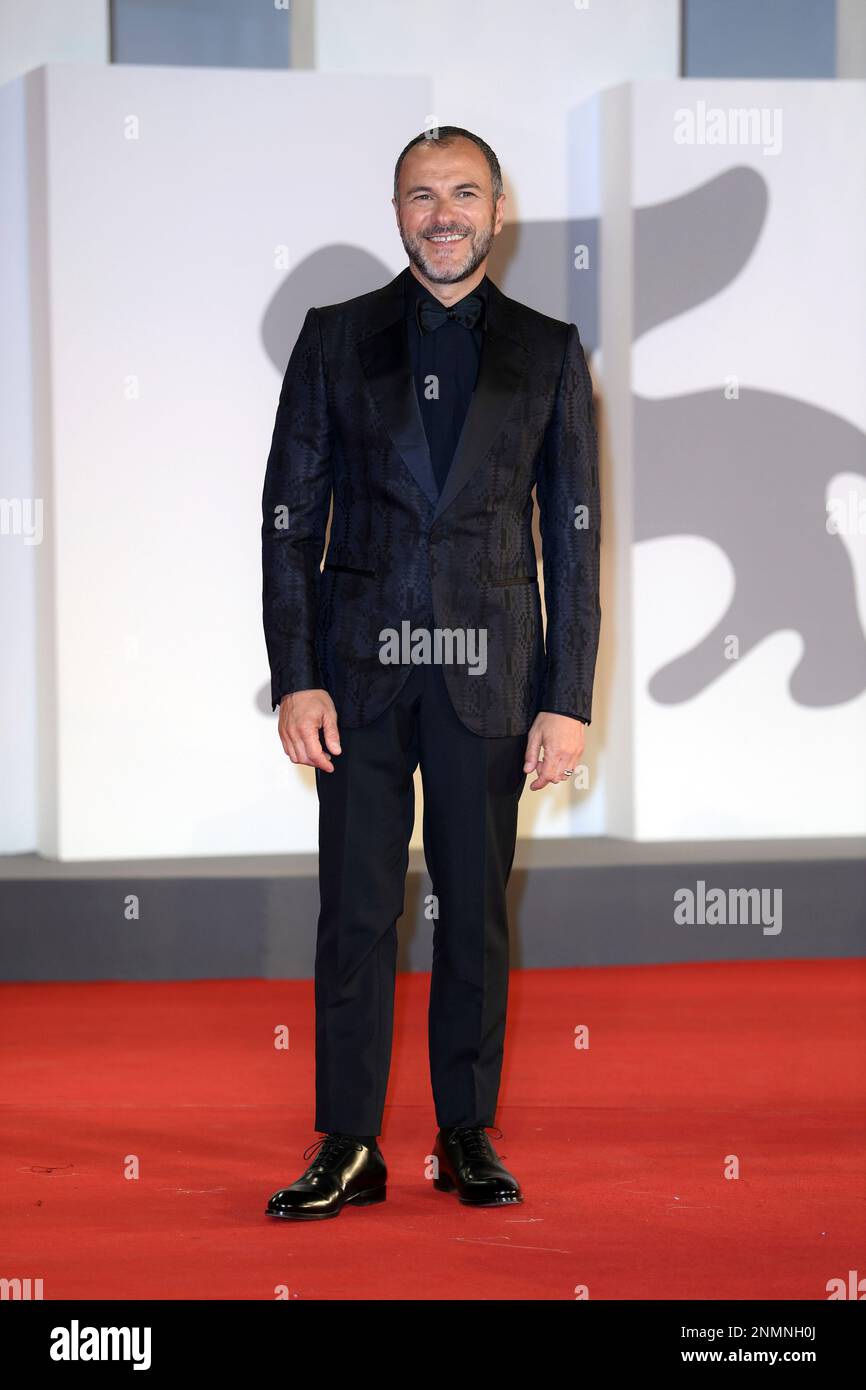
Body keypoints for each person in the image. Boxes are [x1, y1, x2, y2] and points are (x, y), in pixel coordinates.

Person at [261, 126, 600, 1219]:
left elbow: (573, 536)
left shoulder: (549, 350)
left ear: (497, 213)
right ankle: (348, 1144)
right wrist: (294, 673)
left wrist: (567, 694)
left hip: (493, 675)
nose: (442, 212)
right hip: (355, 675)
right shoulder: (331, 338)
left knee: (473, 912)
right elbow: (286, 524)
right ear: (395, 211)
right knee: (353, 912)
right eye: (421, 195)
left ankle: (463, 1135)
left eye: (464, 193)